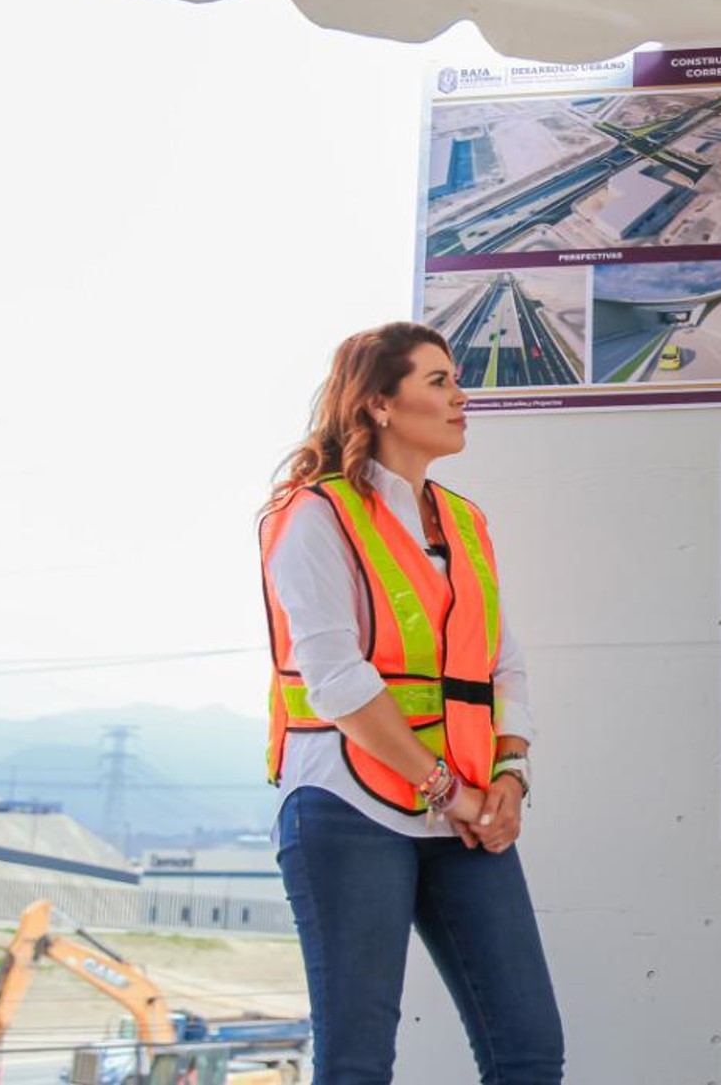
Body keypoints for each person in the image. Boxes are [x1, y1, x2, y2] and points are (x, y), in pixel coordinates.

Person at [259, 321, 563, 1084]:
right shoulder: (315, 516)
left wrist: (510, 775)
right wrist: (448, 790)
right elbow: (338, 683)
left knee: (529, 1052)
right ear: (379, 405)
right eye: (438, 380)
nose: (461, 396)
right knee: (358, 1063)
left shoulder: (464, 521)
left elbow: (502, 661)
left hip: (461, 808)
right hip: (347, 807)